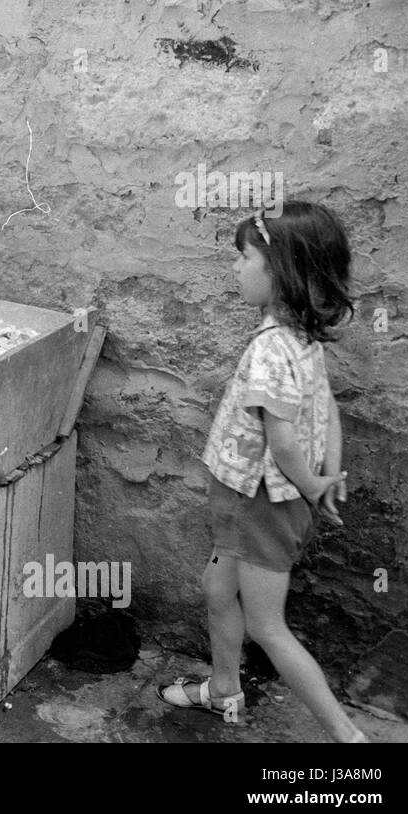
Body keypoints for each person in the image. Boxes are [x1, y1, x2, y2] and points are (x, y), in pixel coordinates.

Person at [158, 201, 365, 743]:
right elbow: (328, 412)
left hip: (259, 503)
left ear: (280, 270)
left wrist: (314, 482)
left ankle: (350, 739)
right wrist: (326, 478)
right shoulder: (299, 337)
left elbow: (283, 439)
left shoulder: (274, 348)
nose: (235, 268)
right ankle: (225, 688)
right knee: (217, 588)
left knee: (267, 627)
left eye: (243, 257)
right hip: (251, 498)